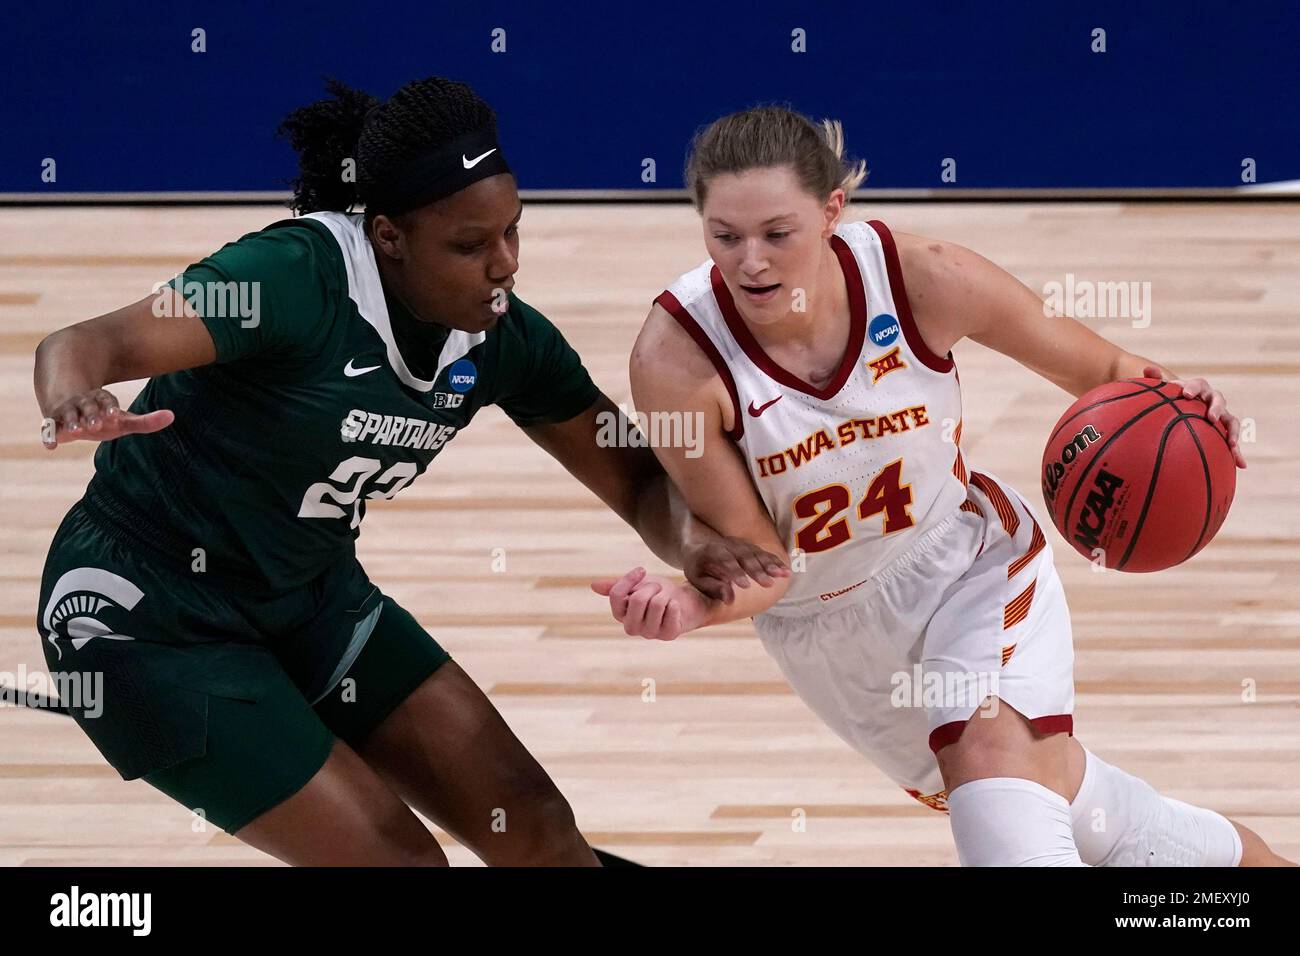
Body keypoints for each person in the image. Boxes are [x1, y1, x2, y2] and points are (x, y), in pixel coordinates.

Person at [32, 77, 786, 866]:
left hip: (309, 595)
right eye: (469, 245)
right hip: (146, 619)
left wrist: (695, 543)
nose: (503, 267)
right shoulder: (294, 280)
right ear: (389, 236)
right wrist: (74, 397)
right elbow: (86, 342)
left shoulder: (504, 340)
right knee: (401, 862)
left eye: (512, 234)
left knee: (539, 833)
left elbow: (637, 481)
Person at [595, 105, 1292, 866]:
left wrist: (1185, 401)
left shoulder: (923, 275)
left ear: (832, 211)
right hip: (828, 637)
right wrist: (693, 603)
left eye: (776, 234)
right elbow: (763, 562)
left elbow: (1107, 373)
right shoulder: (676, 360)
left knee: (999, 792)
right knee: (1073, 805)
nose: (750, 262)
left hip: (966, 568)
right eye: (724, 236)